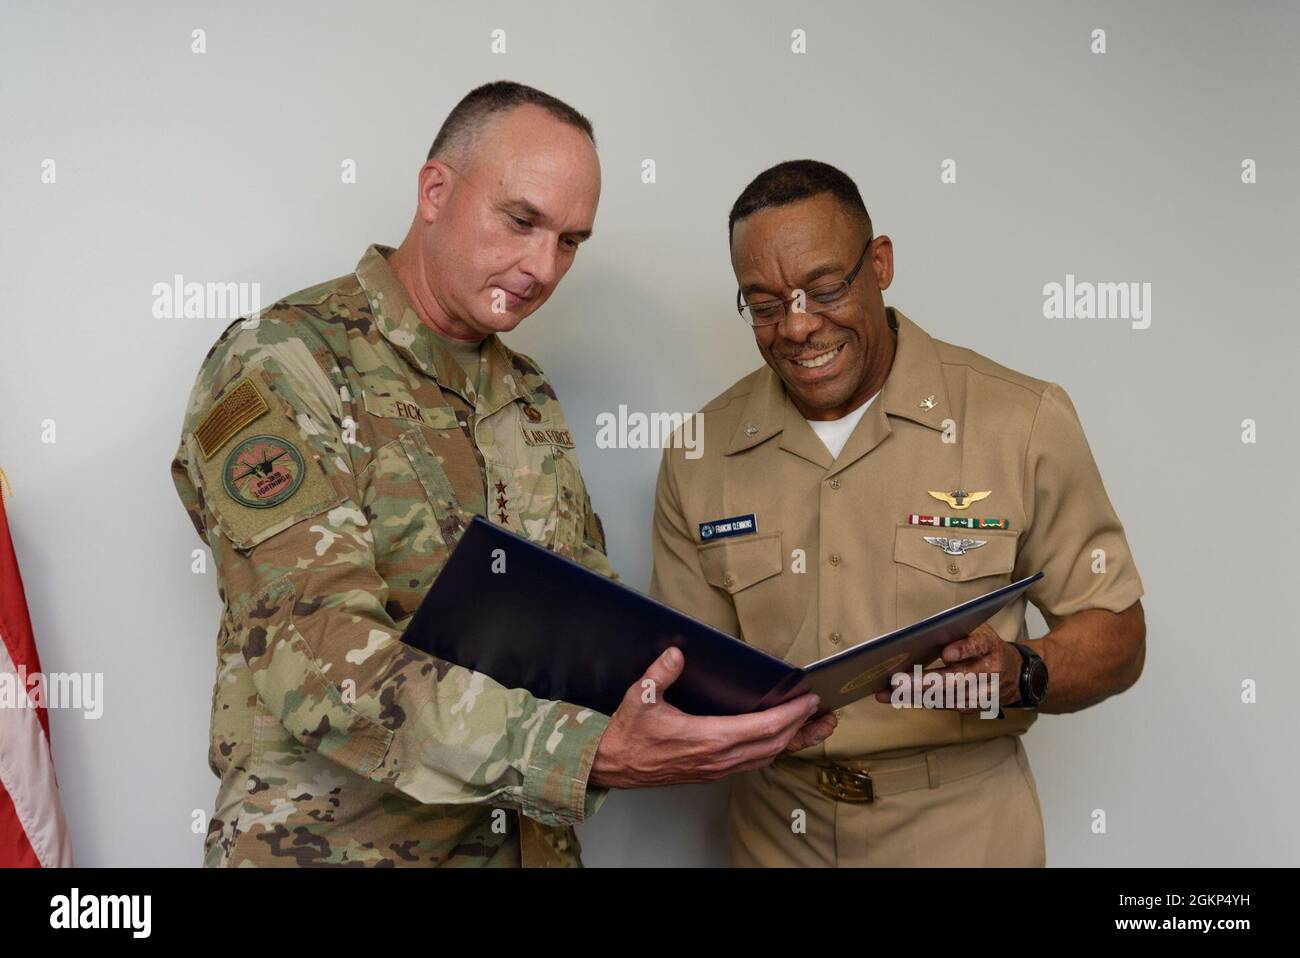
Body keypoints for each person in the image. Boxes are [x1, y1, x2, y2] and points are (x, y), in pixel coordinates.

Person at [169, 84, 834, 868]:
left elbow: (584, 621)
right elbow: (315, 652)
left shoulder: (525, 393)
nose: (543, 267)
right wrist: (582, 753)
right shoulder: (283, 362)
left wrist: (732, 711)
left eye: (570, 241)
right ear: (435, 191)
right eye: (521, 221)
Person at [649, 160, 1146, 867]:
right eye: (764, 305)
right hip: (773, 833)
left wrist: (1021, 671)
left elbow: (1118, 634)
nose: (797, 326)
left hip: (961, 833)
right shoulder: (699, 451)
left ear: (879, 264)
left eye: (825, 290)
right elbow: (688, 673)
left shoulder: (1022, 421)